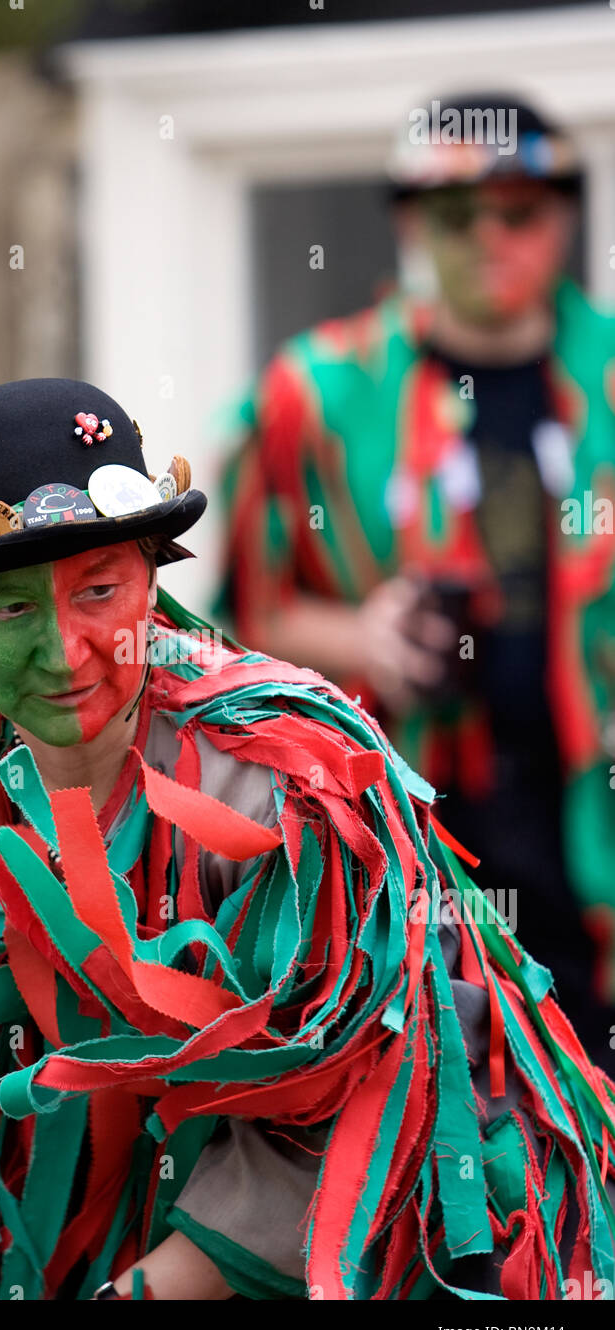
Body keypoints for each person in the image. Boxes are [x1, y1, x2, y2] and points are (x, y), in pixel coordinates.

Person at [0, 377, 612, 1301]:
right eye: (12, 610)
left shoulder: (293, 784)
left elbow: (349, 1121)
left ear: (152, 571)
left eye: (98, 591)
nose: (66, 653)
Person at [214, 93, 615, 1065]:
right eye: (451, 215)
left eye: (516, 209)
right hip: (399, 835)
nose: (486, 237)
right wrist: (364, 640)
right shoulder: (313, 389)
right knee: (433, 1142)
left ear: (563, 216)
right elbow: (232, 620)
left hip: (589, 828)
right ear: (406, 223)